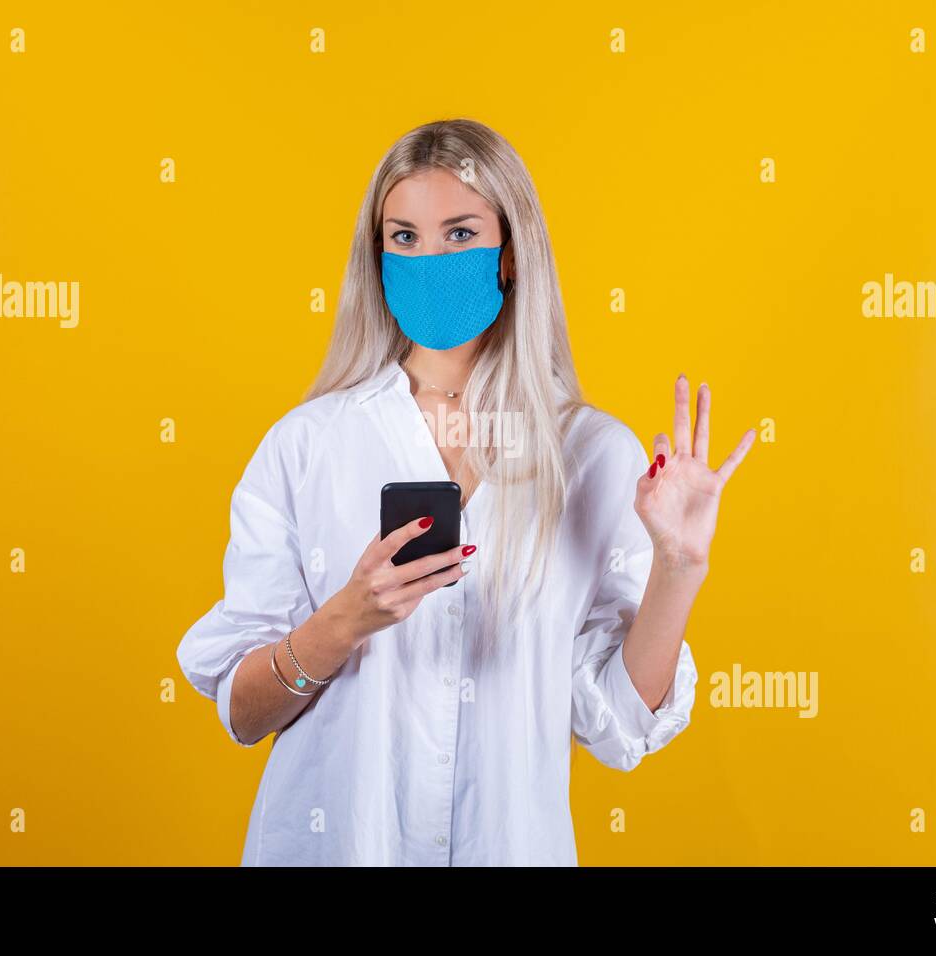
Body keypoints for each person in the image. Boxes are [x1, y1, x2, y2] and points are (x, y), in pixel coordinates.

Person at [176, 118, 755, 865]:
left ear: (510, 254)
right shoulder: (307, 445)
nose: (430, 258)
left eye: (459, 233)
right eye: (404, 238)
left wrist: (679, 568)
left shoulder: (590, 455)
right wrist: (343, 621)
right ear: (377, 256)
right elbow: (245, 713)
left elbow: (617, 723)